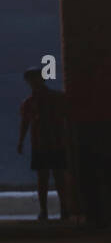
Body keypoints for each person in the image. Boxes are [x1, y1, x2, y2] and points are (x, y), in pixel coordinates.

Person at [17, 68, 69, 221]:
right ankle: (62, 209)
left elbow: (25, 123)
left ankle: (45, 210)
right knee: (56, 177)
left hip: (43, 143)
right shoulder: (56, 97)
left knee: (44, 178)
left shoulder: (29, 102)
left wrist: (21, 141)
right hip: (53, 142)